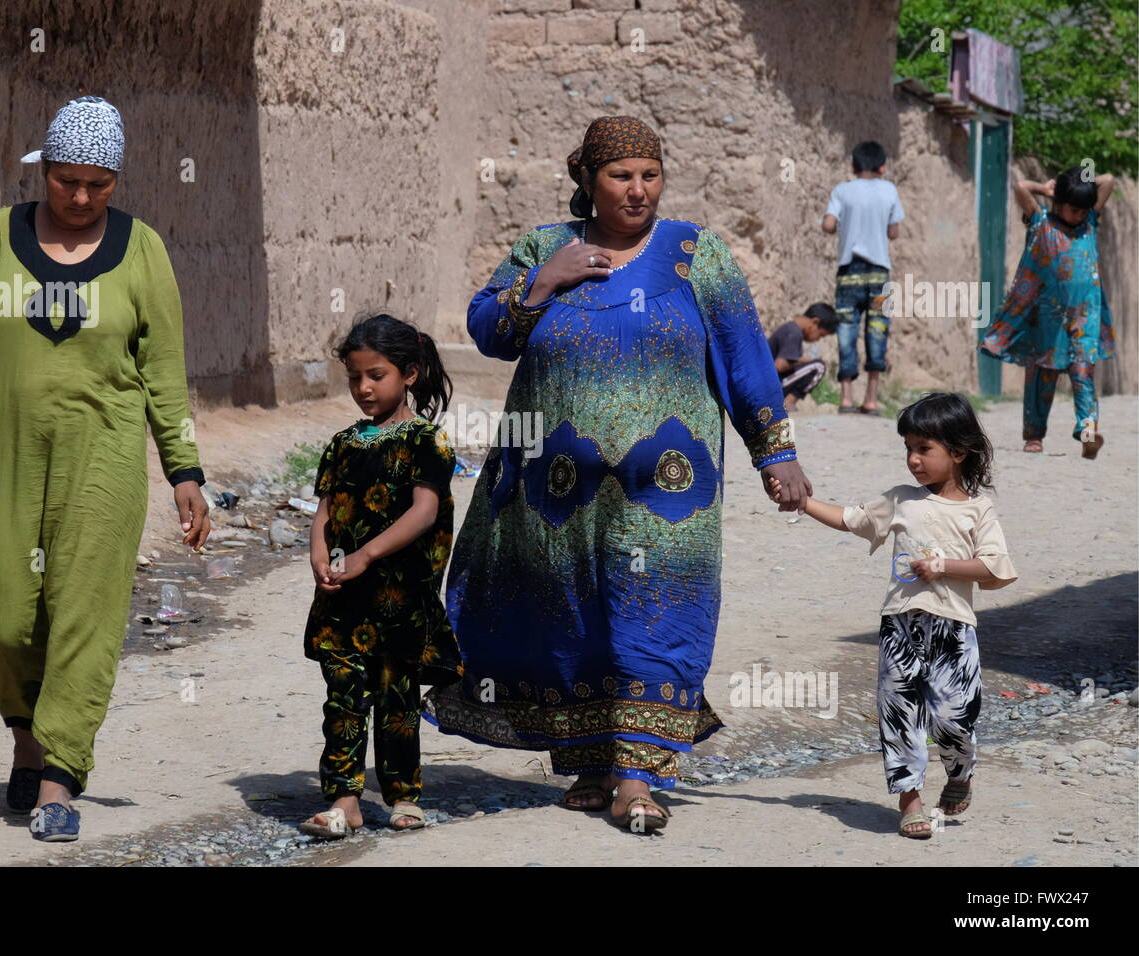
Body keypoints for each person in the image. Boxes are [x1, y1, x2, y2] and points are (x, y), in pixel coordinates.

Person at [422, 116, 812, 834]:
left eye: (649, 175)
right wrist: (546, 281)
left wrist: (775, 453)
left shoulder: (697, 255)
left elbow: (743, 354)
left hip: (667, 490)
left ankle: (637, 775)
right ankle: (594, 758)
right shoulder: (545, 246)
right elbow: (488, 331)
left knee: (655, 608)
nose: (638, 191)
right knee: (572, 614)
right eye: (621, 176)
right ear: (588, 182)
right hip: (555, 492)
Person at [0, 96, 211, 842]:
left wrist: (184, 470)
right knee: (3, 618)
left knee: (83, 617)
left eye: (98, 184)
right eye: (66, 180)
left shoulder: (143, 252)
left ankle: (60, 777)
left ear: (116, 179)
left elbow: (164, 373)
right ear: (44, 170)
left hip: (101, 461)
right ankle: (27, 742)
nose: (79, 197)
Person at [770, 393, 1017, 838]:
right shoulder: (902, 500)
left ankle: (960, 773)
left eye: (925, 449)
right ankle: (911, 803)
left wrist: (943, 566)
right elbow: (851, 519)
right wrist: (803, 503)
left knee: (953, 718)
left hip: (954, 628)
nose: (914, 460)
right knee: (900, 712)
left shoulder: (977, 509)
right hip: (900, 624)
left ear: (958, 452)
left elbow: (997, 568)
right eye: (909, 448)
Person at [299, 314, 462, 839]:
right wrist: (318, 554)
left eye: (377, 375)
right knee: (343, 697)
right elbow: (324, 509)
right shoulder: (342, 443)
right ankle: (344, 801)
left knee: (397, 700)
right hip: (343, 598)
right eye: (354, 377)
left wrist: (366, 555)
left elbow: (424, 512)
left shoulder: (426, 441)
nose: (364, 388)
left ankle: (403, 795)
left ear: (409, 373)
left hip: (399, 598)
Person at [980, 166, 1117, 458]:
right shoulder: (1040, 222)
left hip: (1085, 316)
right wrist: (1046, 189)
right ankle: (1034, 435)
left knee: (1084, 373)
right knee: (1042, 378)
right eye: (1073, 209)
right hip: (1047, 319)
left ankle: (1087, 430)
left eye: (1083, 209)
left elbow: (1109, 180)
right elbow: (1019, 187)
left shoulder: (1090, 222)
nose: (1079, 215)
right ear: (1057, 204)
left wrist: (1080, 183)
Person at [821, 140, 905, 416]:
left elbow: (828, 225)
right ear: (882, 166)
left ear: (853, 165)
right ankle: (871, 399)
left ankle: (846, 398)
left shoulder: (842, 190)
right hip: (880, 274)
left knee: (846, 330)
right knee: (878, 330)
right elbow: (894, 233)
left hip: (848, 272)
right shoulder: (890, 190)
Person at [769, 303, 838, 409]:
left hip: (768, 383)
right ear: (815, 322)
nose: (818, 339)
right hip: (768, 386)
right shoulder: (794, 333)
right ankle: (788, 403)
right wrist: (803, 361)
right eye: (820, 335)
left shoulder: (790, 329)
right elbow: (779, 365)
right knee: (819, 366)